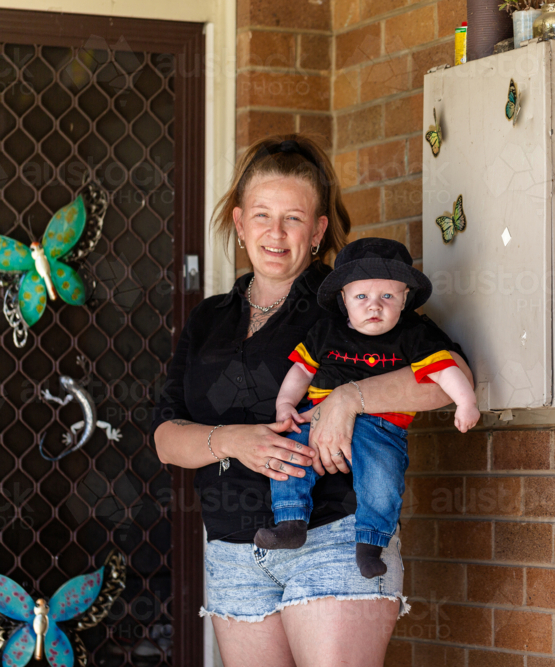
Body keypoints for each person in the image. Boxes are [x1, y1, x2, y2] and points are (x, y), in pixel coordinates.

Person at [150, 134, 472, 667]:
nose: (275, 234)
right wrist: (234, 442)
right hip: (232, 549)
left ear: (319, 229)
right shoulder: (209, 317)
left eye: (294, 219)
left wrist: (351, 397)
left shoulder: (350, 303)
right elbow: (165, 438)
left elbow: (446, 374)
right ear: (239, 222)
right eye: (261, 216)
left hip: (335, 535)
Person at [257, 238, 480, 578]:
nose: (374, 306)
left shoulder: (414, 333)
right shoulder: (326, 330)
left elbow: (445, 370)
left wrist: (466, 402)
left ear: (405, 298)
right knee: (290, 454)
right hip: (315, 419)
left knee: (382, 478)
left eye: (387, 296)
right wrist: (285, 403)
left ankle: (371, 545)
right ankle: (290, 522)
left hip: (381, 426)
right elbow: (302, 370)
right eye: (361, 296)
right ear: (343, 298)